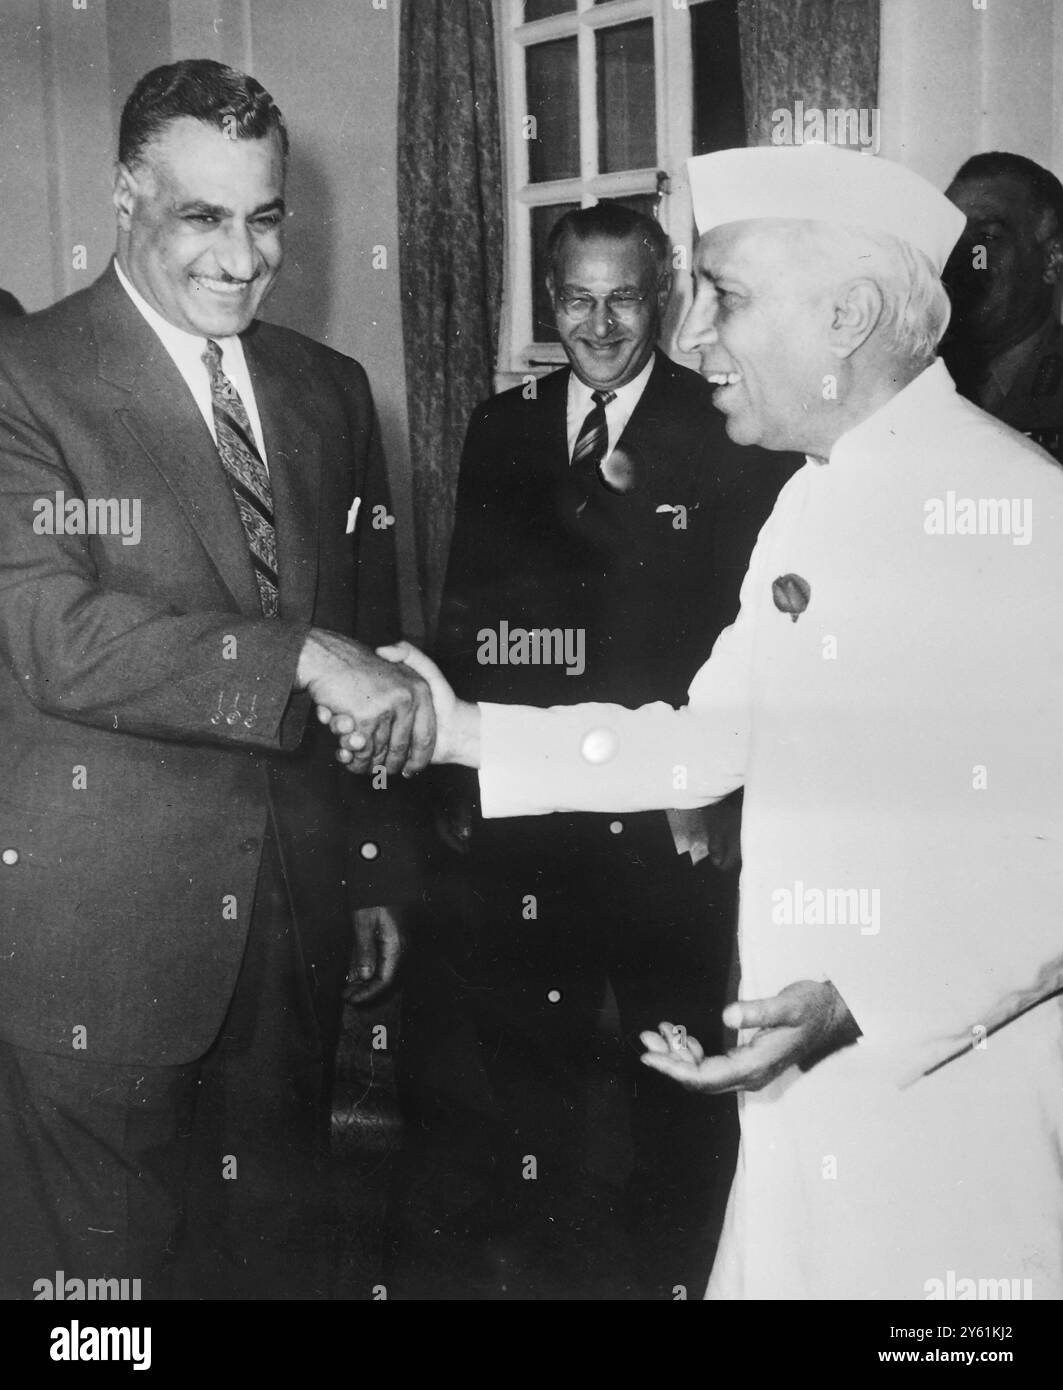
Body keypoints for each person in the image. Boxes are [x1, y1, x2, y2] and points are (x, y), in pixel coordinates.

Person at [329, 144, 1063, 1300]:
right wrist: (461, 726)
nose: (695, 342)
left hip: (948, 1130)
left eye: (722, 300)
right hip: (797, 1106)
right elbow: (696, 734)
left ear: (848, 316)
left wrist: (863, 997)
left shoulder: (1017, 514)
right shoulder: (816, 499)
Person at [0, 58, 433, 1301]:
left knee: (275, 1264)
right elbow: (52, 631)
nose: (243, 257)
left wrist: (369, 870)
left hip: (289, 933)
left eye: (266, 215)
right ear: (128, 195)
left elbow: (371, 644)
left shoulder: (328, 390)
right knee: (103, 1305)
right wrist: (295, 655)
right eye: (202, 215)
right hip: (98, 949)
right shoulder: (24, 378)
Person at [385, 201, 798, 1299]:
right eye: (577, 299)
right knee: (532, 1063)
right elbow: (470, 608)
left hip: (669, 806)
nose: (601, 323)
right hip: (528, 806)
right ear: (548, 301)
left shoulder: (727, 428)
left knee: (676, 1067)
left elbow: (740, 637)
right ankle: (551, 1263)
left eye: (624, 297)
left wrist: (720, 792)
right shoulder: (502, 424)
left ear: (659, 297)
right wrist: (462, 775)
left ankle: (676, 1271)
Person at [942, 151, 1063, 461]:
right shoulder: (911, 375)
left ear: (1051, 260)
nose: (965, 256)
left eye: (987, 236)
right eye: (951, 234)